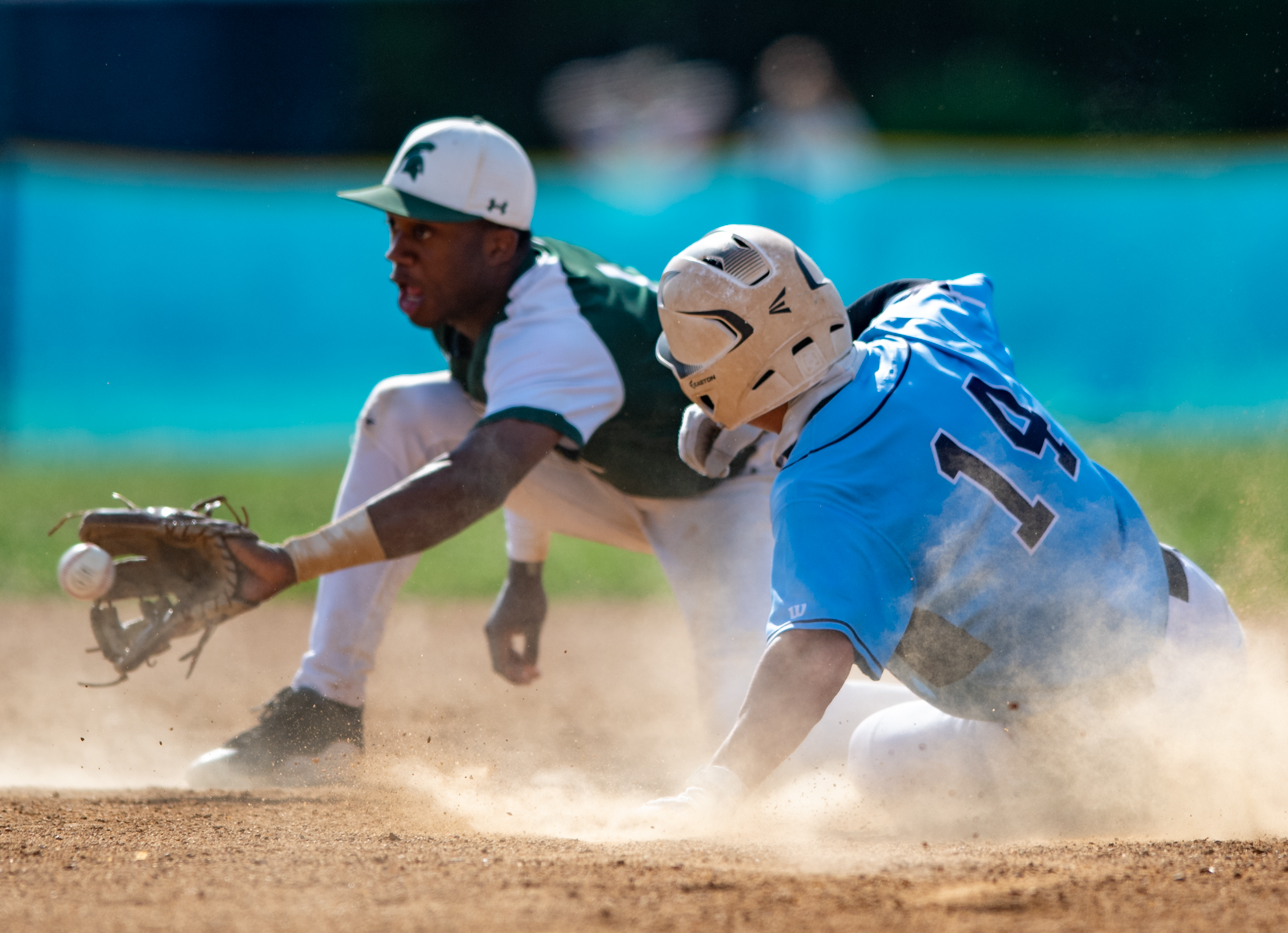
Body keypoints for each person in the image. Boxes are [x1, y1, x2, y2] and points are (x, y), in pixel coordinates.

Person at [185, 120, 908, 788]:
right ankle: (323, 715)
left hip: (725, 489)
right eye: (395, 225)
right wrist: (525, 570)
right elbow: (522, 428)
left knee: (749, 716)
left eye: (425, 231)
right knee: (403, 410)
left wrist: (291, 560)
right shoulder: (488, 302)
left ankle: (932, 721)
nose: (397, 250)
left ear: (498, 242)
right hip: (615, 472)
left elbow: (480, 476)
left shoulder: (552, 327)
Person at [640, 225, 1246, 824]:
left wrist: (713, 793)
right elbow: (917, 288)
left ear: (710, 380)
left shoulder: (821, 488)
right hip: (1199, 620)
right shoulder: (928, 330)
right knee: (929, 630)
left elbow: (806, 660)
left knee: (875, 755)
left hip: (1115, 741)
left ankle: (1106, 800)